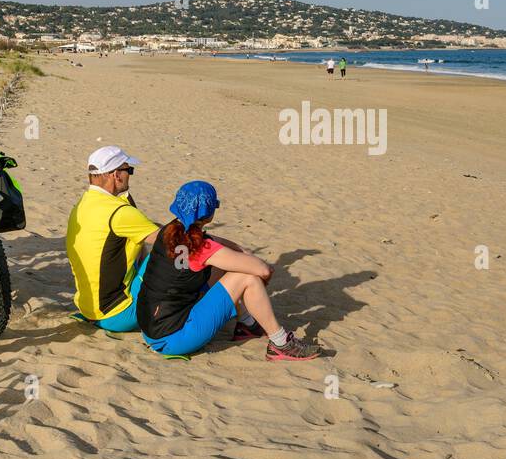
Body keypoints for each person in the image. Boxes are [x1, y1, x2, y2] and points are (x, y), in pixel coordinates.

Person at [136, 181, 321, 360]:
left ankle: (247, 323)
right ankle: (281, 344)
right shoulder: (201, 247)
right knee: (247, 277)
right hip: (174, 339)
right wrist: (251, 262)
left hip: (153, 329)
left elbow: (216, 242)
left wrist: (240, 250)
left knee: (224, 266)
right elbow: (263, 270)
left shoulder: (169, 231)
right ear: (209, 215)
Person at [65, 146, 160, 333]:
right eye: (129, 170)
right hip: (117, 314)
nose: (130, 175)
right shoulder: (119, 212)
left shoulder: (81, 205)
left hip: (88, 309)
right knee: (168, 252)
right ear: (116, 175)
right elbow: (171, 240)